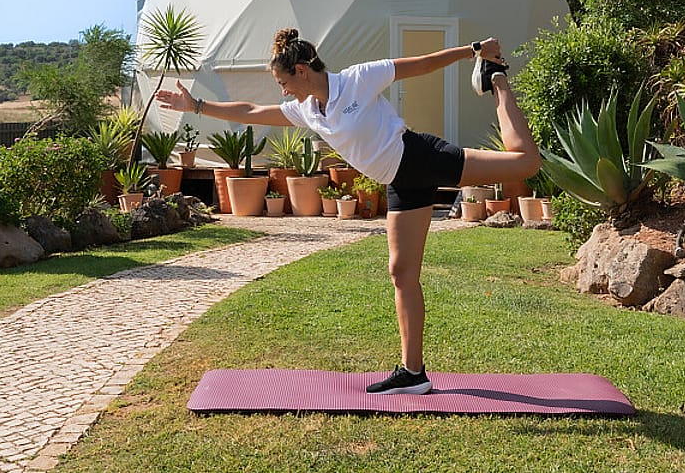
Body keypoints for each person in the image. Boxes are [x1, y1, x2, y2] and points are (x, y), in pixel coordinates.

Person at [155, 28, 541, 395]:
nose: (283, 91)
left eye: (284, 82)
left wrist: (474, 51)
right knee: (401, 272)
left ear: (302, 71)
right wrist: (197, 106)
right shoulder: (308, 110)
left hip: (420, 158)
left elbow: (421, 64)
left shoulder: (357, 79)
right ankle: (413, 373)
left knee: (526, 163)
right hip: (400, 182)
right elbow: (253, 110)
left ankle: (496, 78)